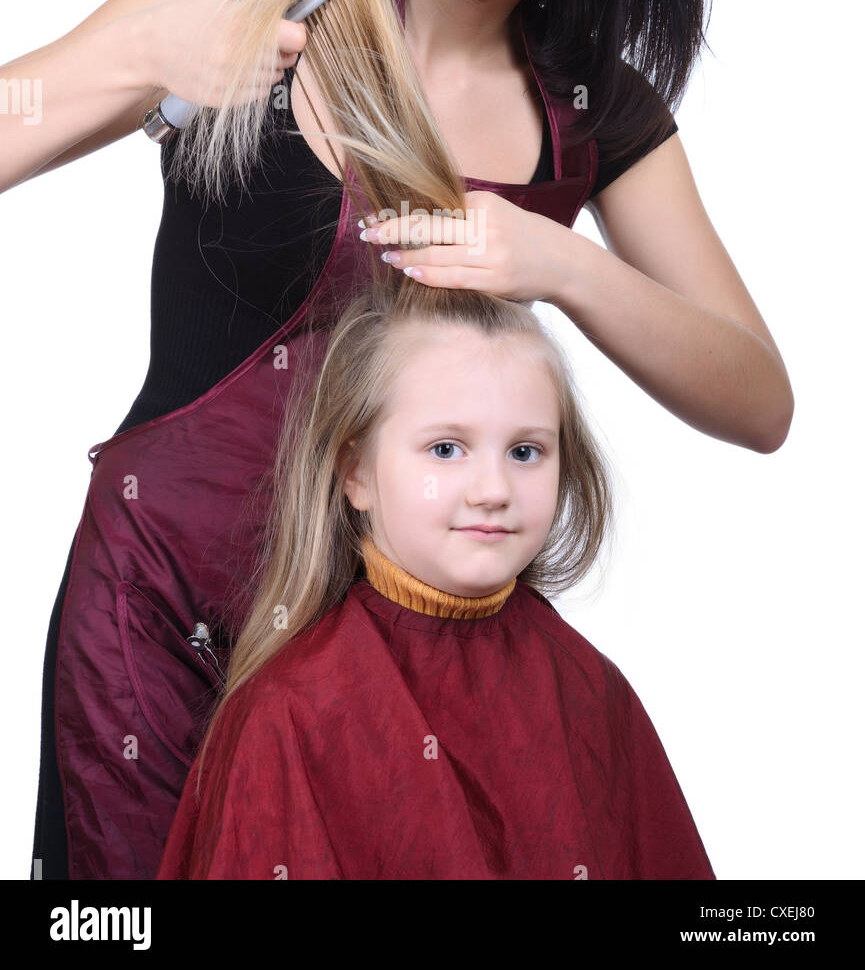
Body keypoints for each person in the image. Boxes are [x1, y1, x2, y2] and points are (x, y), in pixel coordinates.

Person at [3, 0, 793, 881]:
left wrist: (563, 266)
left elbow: (759, 399)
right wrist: (134, 55)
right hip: (157, 620)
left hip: (397, 663)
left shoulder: (595, 115)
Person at [156, 274, 714, 881]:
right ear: (356, 473)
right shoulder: (288, 712)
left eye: (525, 452)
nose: (493, 490)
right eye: (446, 449)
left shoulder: (592, 690)